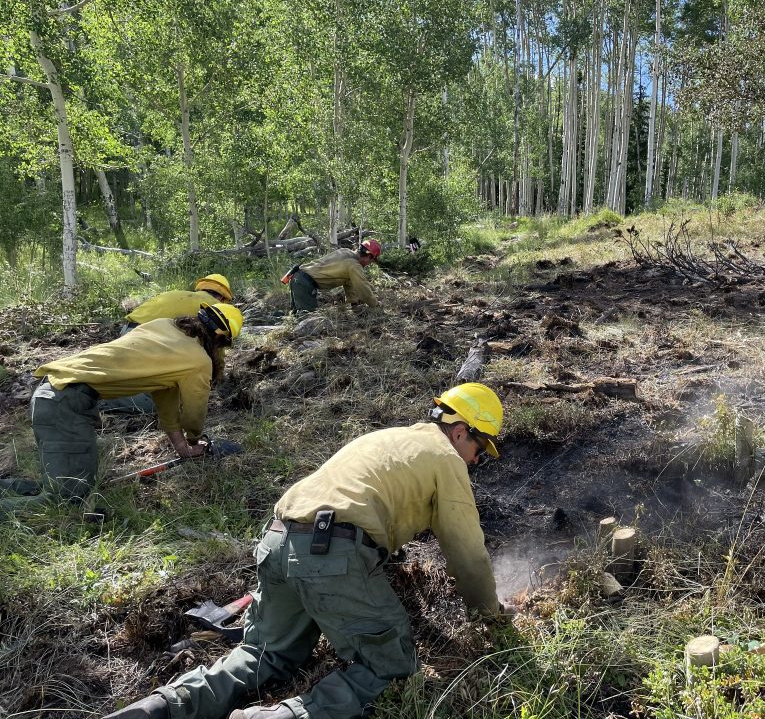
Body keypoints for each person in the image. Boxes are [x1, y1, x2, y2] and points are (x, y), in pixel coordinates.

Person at [105, 382, 514, 719]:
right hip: (331, 552)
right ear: (460, 432)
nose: (476, 461)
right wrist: (490, 619)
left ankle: (163, 707)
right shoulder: (445, 458)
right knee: (391, 667)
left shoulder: (389, 438)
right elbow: (469, 555)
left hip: (277, 540)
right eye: (480, 450)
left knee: (264, 653)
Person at [0, 303, 243, 512]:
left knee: (71, 483)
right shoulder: (198, 361)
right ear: (220, 338)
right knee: (67, 500)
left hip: (52, 392)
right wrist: (194, 440)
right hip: (66, 402)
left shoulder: (164, 327)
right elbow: (193, 413)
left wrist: (180, 445)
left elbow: (166, 398)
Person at [101, 274, 236, 414]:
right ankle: (103, 400)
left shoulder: (177, 294)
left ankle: (104, 385)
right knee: (160, 405)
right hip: (148, 342)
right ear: (222, 298)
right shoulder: (214, 308)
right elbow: (217, 347)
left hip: (128, 332)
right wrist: (218, 378)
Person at [284, 239, 381, 314]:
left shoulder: (345, 252)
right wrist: (376, 305)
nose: (368, 264)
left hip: (298, 278)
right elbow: (363, 288)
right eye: (371, 261)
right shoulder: (354, 266)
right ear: (369, 257)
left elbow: (349, 281)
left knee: (295, 315)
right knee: (306, 318)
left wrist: (354, 303)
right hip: (304, 282)